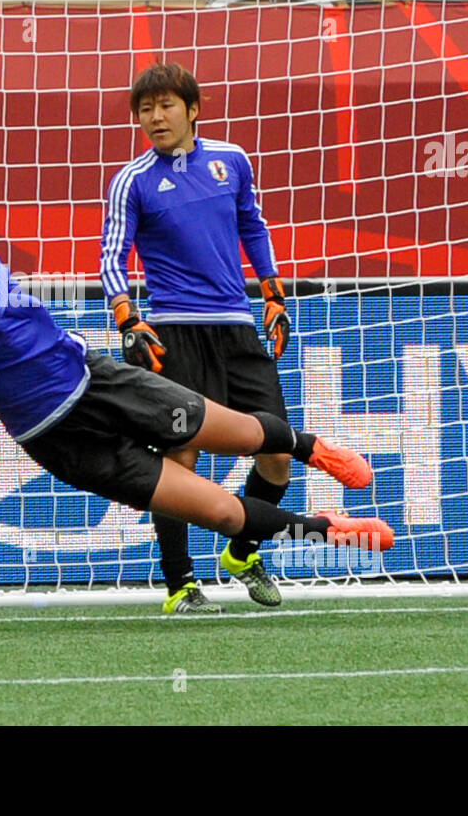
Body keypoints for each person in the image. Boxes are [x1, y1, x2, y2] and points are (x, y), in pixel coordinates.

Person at [0, 182, 392, 598]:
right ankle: (326, 531)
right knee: (217, 510)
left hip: (97, 384)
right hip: (57, 442)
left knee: (237, 433)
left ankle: (316, 448)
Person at [101, 61, 296, 614]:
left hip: (237, 329)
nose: (155, 117)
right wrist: (126, 316)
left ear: (193, 109)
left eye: (165, 106)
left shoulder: (231, 161)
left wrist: (273, 294)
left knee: (277, 451)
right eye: (145, 109)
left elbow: (251, 225)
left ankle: (242, 550)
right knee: (179, 463)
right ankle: (180, 585)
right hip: (175, 334)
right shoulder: (132, 180)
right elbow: (112, 257)